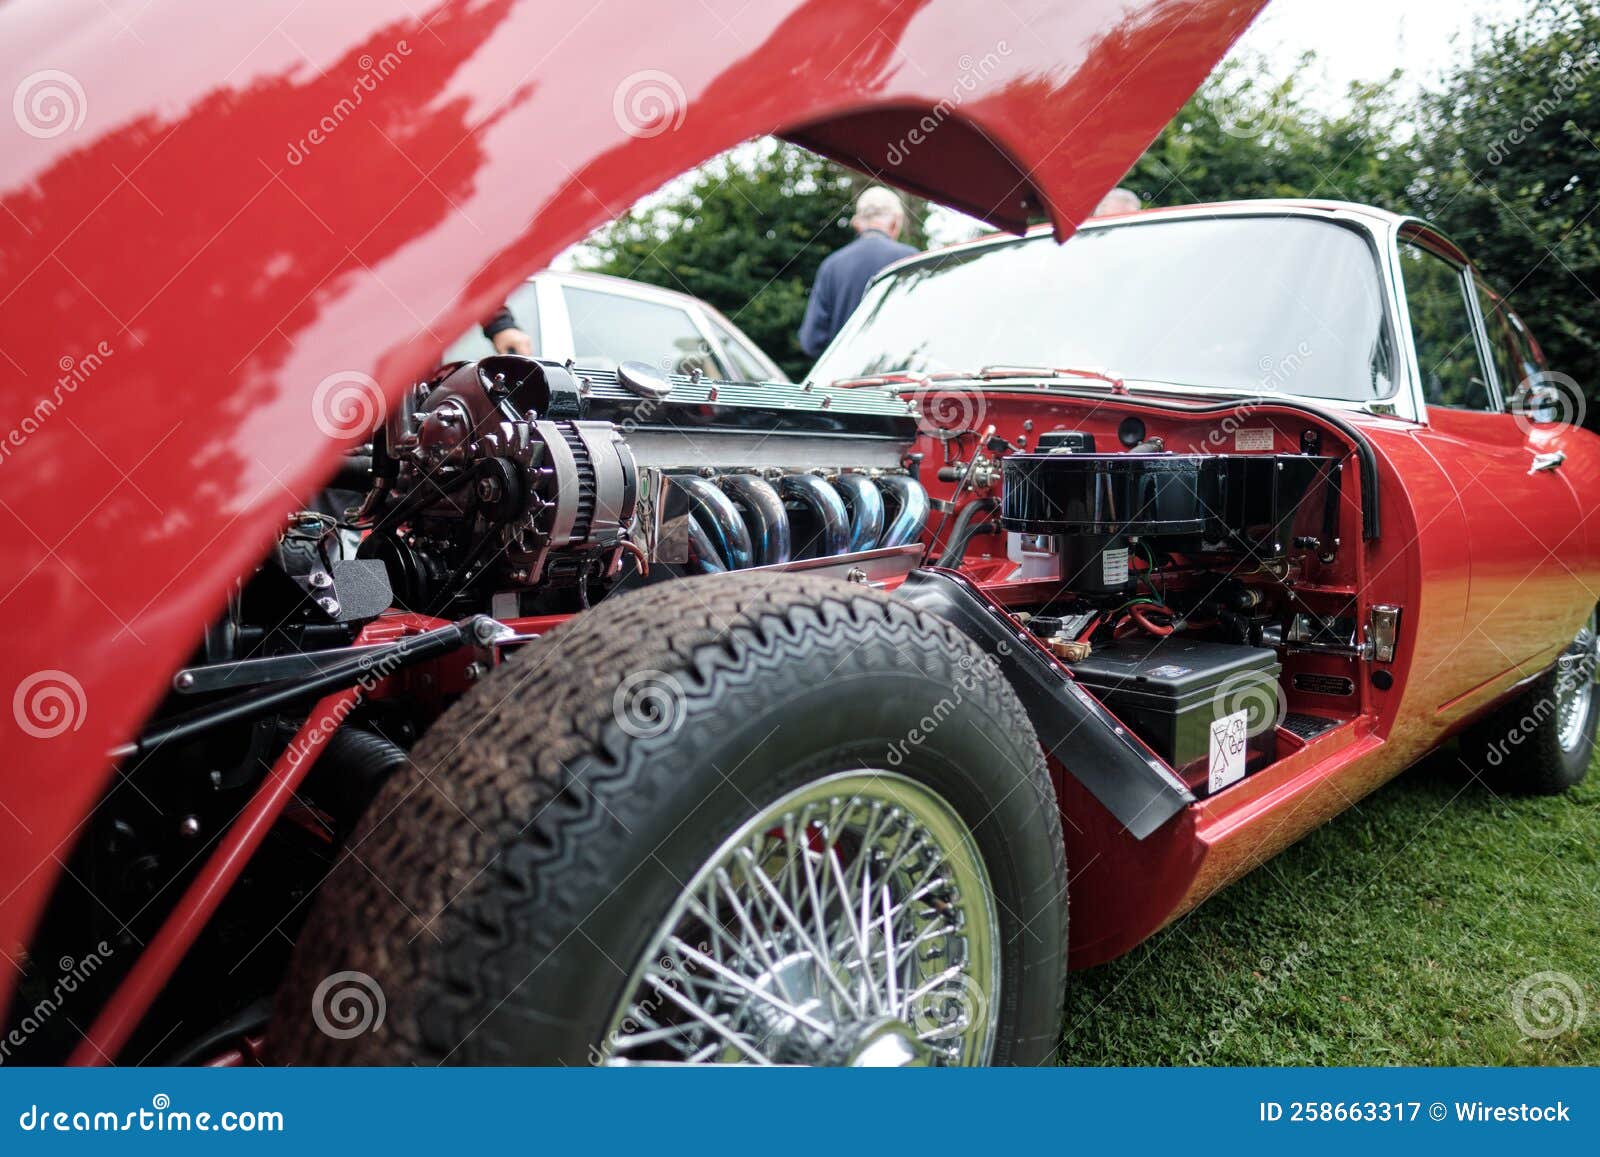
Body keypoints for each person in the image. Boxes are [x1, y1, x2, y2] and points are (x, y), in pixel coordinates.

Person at [797, 186, 916, 357]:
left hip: (840, 380)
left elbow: (812, 342)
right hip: (898, 377)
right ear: (895, 222)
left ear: (857, 222)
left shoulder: (831, 265)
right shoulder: (910, 259)